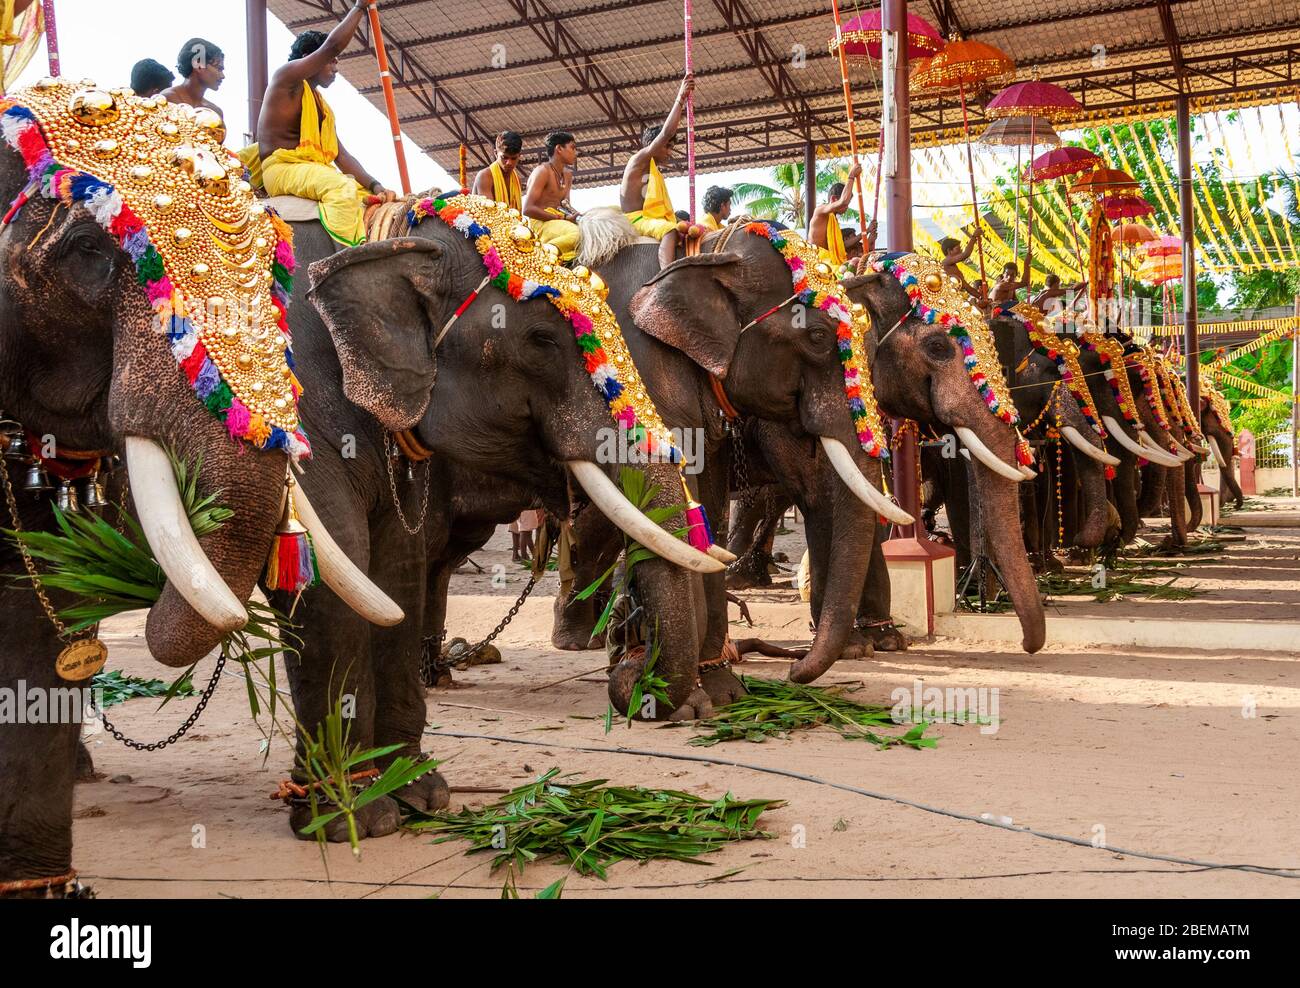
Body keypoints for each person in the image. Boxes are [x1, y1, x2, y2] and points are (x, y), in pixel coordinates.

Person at [254, 3, 397, 248]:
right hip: (281, 169)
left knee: (367, 199)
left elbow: (342, 156)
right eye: (331, 62)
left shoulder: (321, 105)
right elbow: (332, 45)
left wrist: (377, 185)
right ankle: (342, 263)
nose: (336, 68)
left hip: (312, 170)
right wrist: (360, 7)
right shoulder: (286, 79)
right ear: (312, 59)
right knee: (343, 188)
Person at [620, 73, 694, 268]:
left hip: (648, 219)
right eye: (667, 146)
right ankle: (666, 274)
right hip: (635, 220)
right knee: (670, 231)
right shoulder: (639, 159)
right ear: (654, 144)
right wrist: (681, 97)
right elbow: (667, 132)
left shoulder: (654, 171)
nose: (670, 152)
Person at [522, 131, 581, 262]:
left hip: (559, 221)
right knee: (577, 235)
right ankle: (539, 257)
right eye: (572, 147)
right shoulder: (542, 171)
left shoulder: (568, 175)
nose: (575, 153)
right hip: (541, 224)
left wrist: (576, 216)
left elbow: (565, 206)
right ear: (559, 148)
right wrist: (560, 217)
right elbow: (527, 209)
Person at [808, 162, 862, 265]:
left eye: (848, 204)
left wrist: (867, 232)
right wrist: (851, 176)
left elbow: (843, 245)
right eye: (847, 204)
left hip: (828, 261)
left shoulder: (834, 220)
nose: (847, 207)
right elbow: (843, 201)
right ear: (833, 199)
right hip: (816, 261)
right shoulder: (820, 210)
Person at [162, 37, 225, 120]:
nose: (223, 76)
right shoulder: (167, 100)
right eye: (218, 69)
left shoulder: (215, 112)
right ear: (198, 66)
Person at [472, 130, 523, 211]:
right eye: (504, 157)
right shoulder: (485, 176)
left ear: (519, 156)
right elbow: (489, 213)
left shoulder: (517, 180)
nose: (509, 163)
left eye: (513, 158)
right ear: (495, 153)